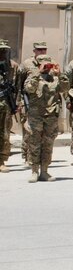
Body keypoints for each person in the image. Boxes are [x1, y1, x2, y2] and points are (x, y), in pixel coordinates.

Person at [23, 54, 70, 182]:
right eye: (44, 65)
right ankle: (34, 171)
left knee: (48, 145)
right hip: (35, 116)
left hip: (50, 117)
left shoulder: (54, 79)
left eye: (48, 65)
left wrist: (60, 74)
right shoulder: (32, 78)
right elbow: (29, 88)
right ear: (38, 65)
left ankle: (44, 171)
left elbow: (65, 88)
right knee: (34, 144)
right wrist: (38, 73)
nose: (47, 67)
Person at [15, 41, 50, 163]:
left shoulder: (49, 62)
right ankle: (26, 155)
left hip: (45, 104)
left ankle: (39, 157)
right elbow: (18, 84)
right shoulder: (26, 64)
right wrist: (18, 101)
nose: (42, 52)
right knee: (28, 130)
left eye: (44, 49)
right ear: (34, 51)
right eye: (39, 50)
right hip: (28, 101)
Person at [0, 40, 16, 172]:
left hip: (5, 104)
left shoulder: (10, 67)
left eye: (5, 51)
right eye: (1, 50)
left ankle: (1, 161)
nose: (3, 53)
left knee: (5, 133)